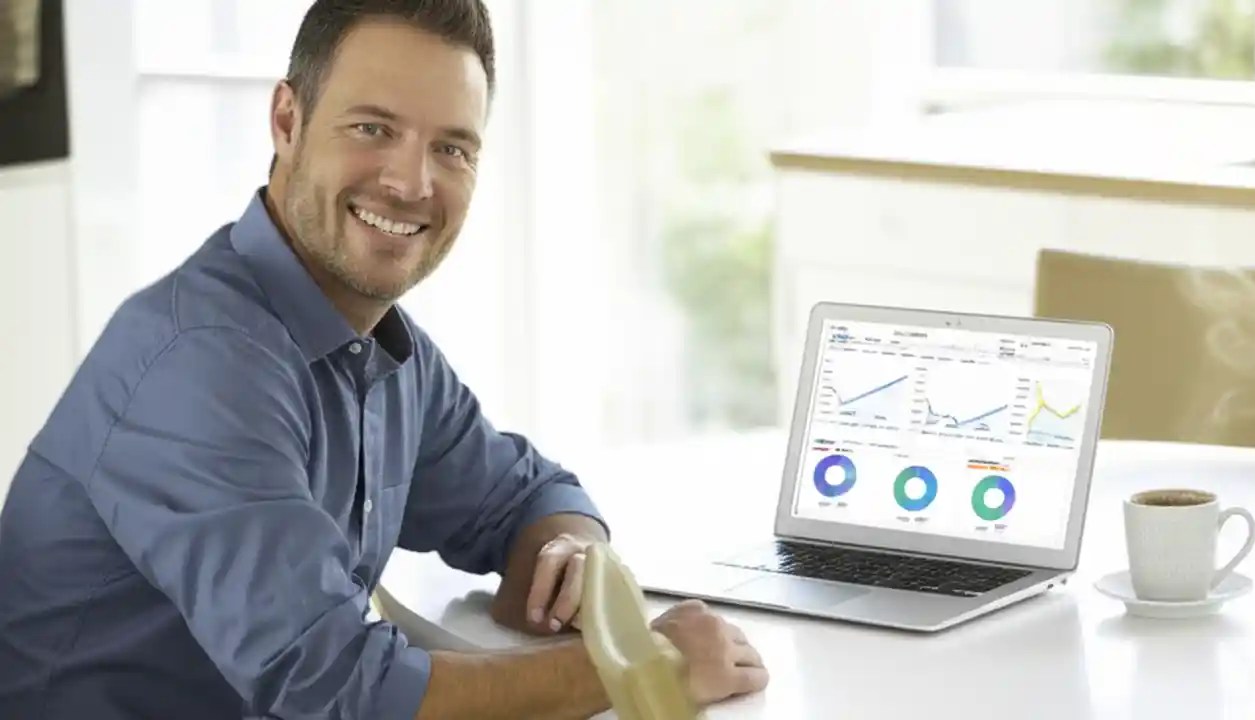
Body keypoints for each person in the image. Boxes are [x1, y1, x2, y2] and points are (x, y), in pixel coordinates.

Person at [0, 1, 769, 718]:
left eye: (451, 148)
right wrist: (642, 666)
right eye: (372, 128)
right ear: (287, 121)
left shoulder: (376, 349)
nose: (410, 183)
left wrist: (573, 562)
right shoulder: (202, 365)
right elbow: (338, 689)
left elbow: (524, 496)